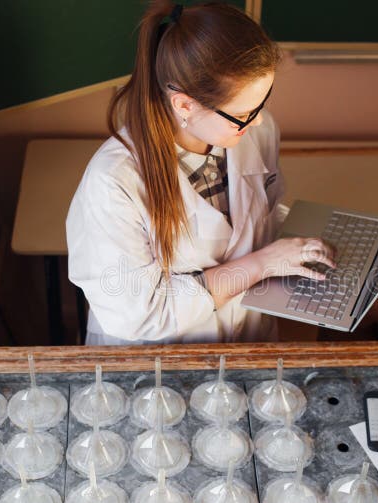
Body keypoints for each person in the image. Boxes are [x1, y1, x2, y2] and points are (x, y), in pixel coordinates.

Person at [66, 1, 334, 345]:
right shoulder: (114, 182)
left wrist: (301, 247)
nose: (255, 121)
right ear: (184, 105)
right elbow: (142, 314)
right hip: (161, 366)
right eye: (242, 114)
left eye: (261, 103)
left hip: (248, 339)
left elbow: (265, 210)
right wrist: (261, 263)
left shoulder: (257, 130)